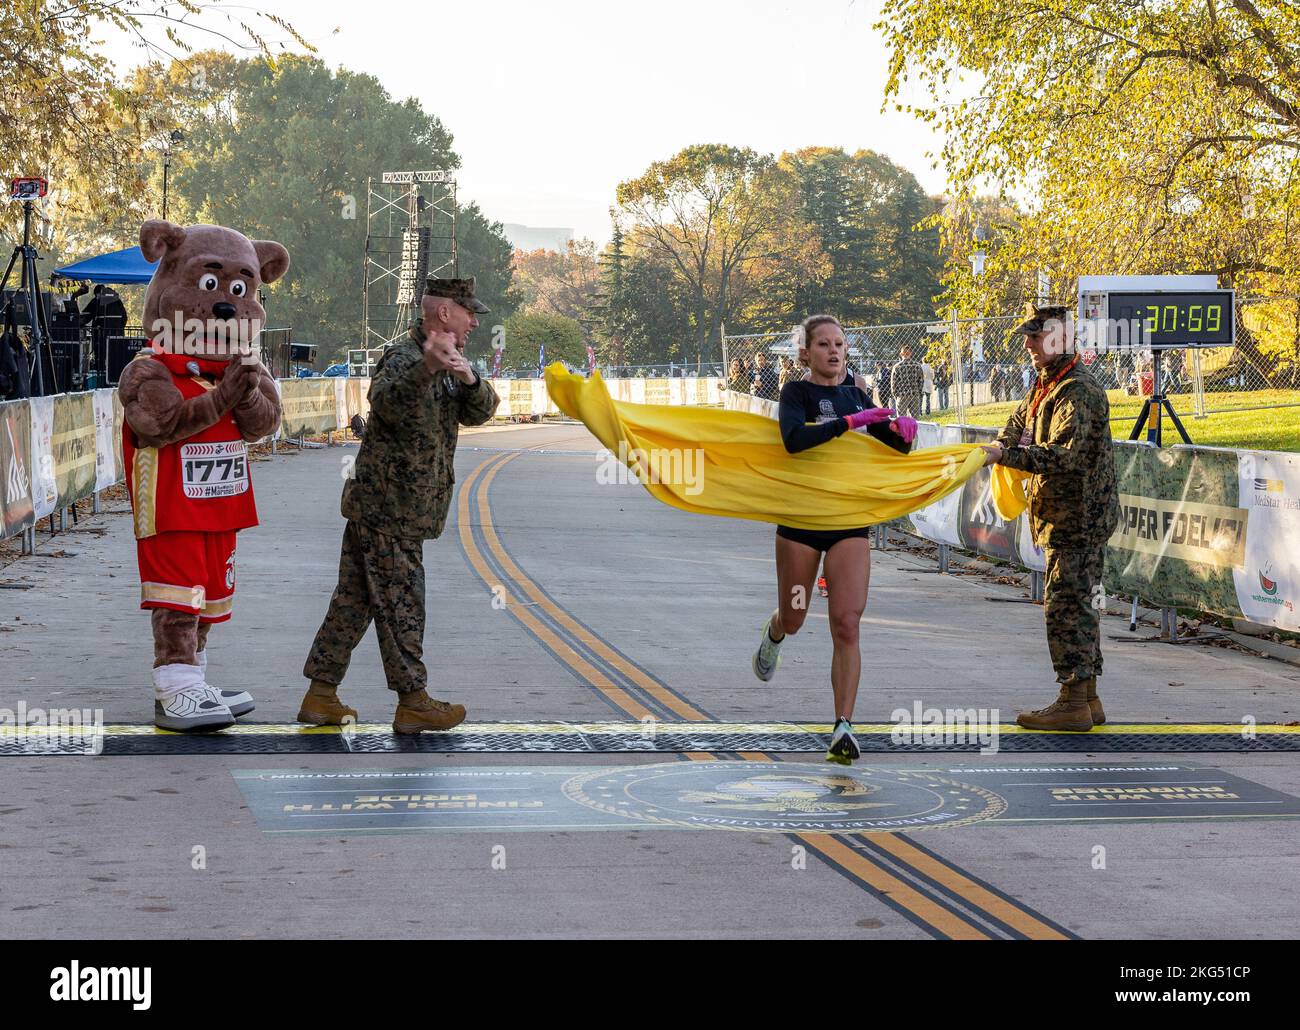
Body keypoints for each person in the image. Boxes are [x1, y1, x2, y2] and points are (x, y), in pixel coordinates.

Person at [300, 276, 500, 733]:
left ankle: (321, 694)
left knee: (355, 601)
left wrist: (467, 377)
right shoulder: (404, 356)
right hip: (388, 507)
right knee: (403, 603)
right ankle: (413, 700)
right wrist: (427, 369)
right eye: (468, 312)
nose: (474, 322)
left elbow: (481, 410)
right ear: (443, 313)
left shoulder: (449, 360)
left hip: (399, 507)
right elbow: (385, 403)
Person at [752, 314, 917, 764]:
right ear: (806, 352)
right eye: (823, 344)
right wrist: (849, 422)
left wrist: (904, 435)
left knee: (846, 623)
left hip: (848, 520)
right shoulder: (796, 392)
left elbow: (893, 444)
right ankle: (776, 630)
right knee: (797, 614)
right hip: (802, 520)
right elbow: (793, 440)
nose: (834, 351)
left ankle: (843, 725)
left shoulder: (857, 394)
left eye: (840, 343)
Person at [981, 303, 1120, 731]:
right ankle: (1087, 697)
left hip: (1078, 519)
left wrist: (1007, 455)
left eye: (1035, 337)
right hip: (1064, 517)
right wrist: (999, 447)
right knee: (1080, 605)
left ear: (1060, 340)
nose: (1027, 345)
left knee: (1066, 609)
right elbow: (1017, 424)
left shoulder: (1077, 390)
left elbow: (1067, 456)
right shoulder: (1047, 385)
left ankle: (1072, 700)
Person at [889, 344, 924, 418]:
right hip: (914, 393)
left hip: (902, 394)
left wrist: (896, 395)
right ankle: (914, 429)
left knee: (901, 417)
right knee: (915, 418)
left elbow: (893, 384)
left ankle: (903, 429)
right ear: (911, 353)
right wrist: (919, 392)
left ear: (901, 354)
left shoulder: (897, 367)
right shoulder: (917, 365)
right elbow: (921, 381)